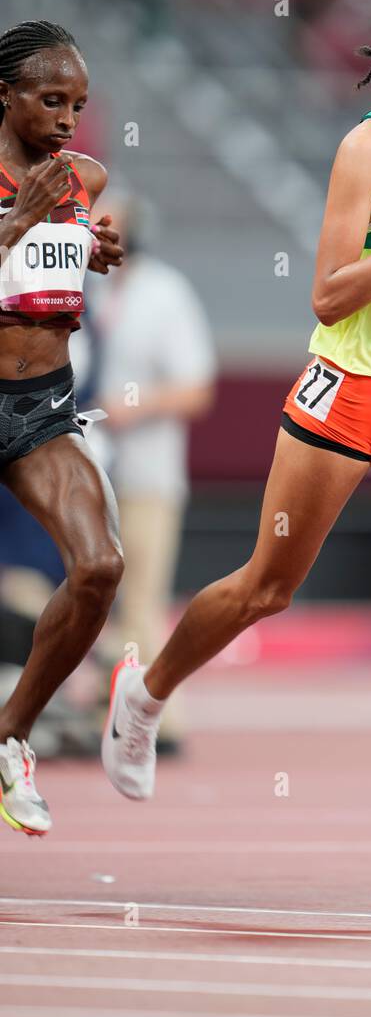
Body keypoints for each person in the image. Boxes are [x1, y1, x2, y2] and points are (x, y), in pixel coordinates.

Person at [103, 0, 371, 855]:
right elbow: (332, 295)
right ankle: (145, 695)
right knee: (268, 587)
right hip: (345, 399)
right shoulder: (368, 149)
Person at [0, 19, 124, 835]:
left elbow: (56, 257)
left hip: (39, 404)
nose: (66, 119)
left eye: (76, 104)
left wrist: (91, 247)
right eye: (50, 100)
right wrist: (17, 223)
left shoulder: (84, 177)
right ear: (4, 96)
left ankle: (10, 738)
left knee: (101, 566)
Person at [88, 190, 216, 751]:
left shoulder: (166, 293)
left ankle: (159, 719)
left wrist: (130, 409)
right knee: (80, 598)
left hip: (147, 476)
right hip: (86, 474)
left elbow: (195, 389)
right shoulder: (82, 287)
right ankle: (100, 706)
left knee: (141, 601)